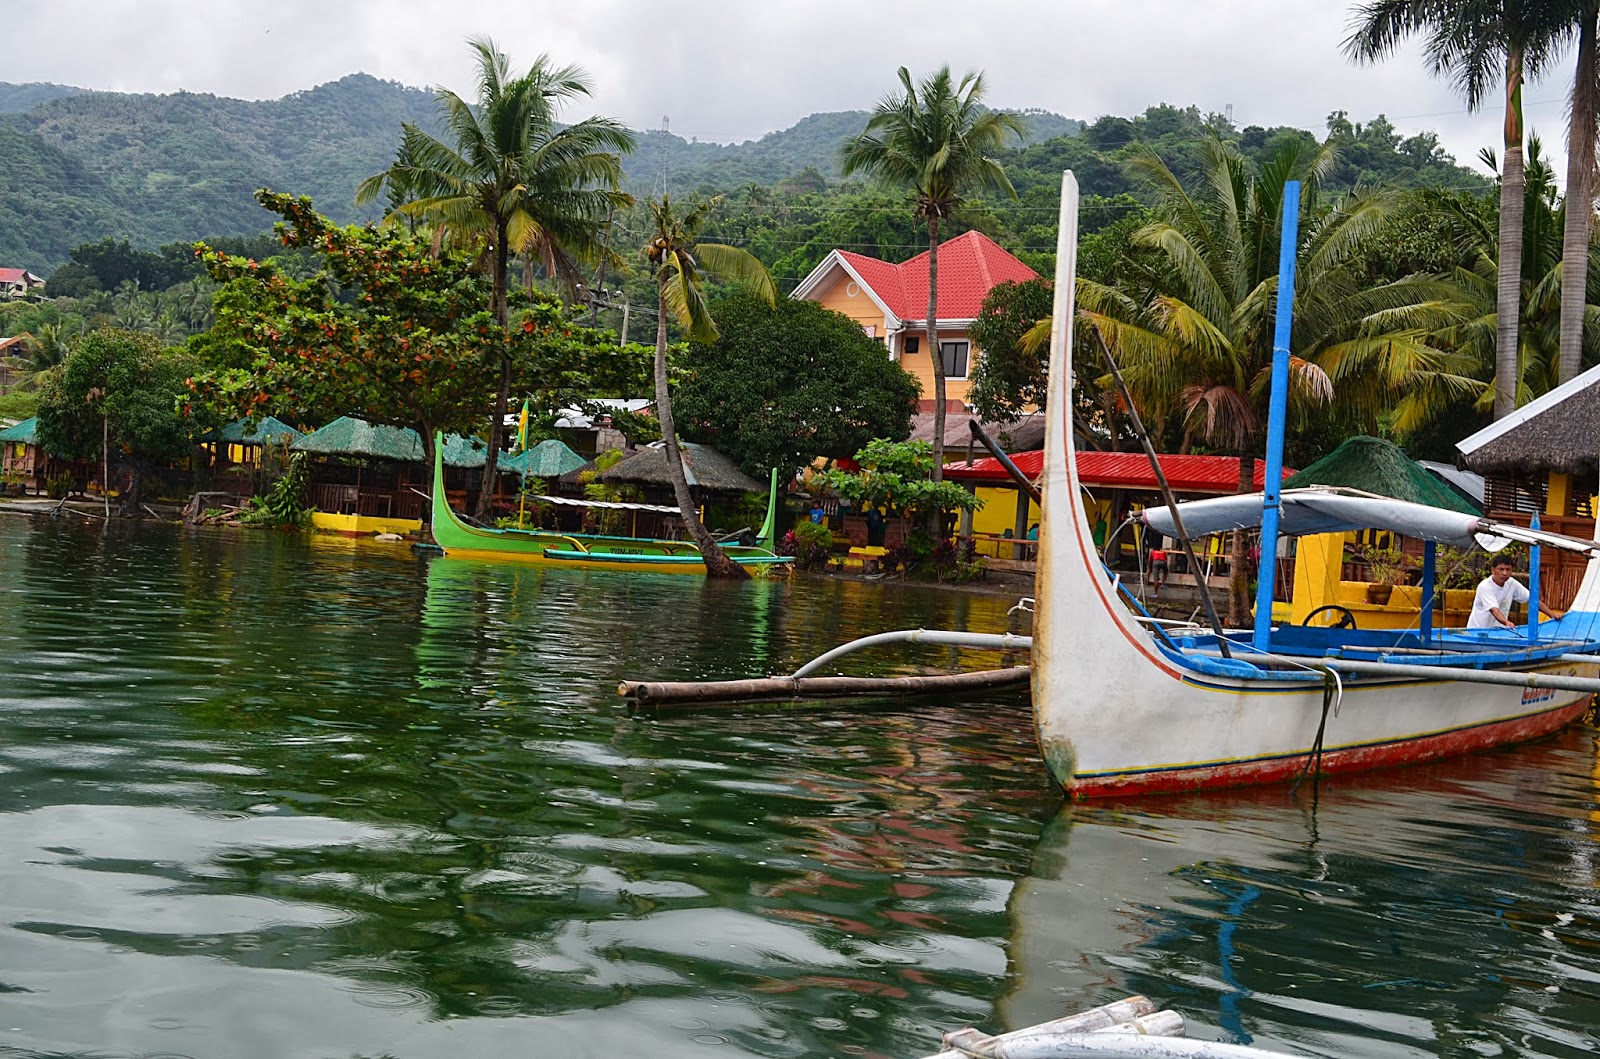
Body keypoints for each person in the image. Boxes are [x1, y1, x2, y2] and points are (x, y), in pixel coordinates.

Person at [1466, 555, 1564, 630]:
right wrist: (1507, 622)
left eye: (1508, 569)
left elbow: (1533, 600)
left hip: (1499, 632)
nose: (1505, 573)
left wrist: (1552, 615)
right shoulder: (1485, 587)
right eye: (1501, 569)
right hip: (1477, 631)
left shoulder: (1511, 583)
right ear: (1493, 570)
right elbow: (1494, 610)